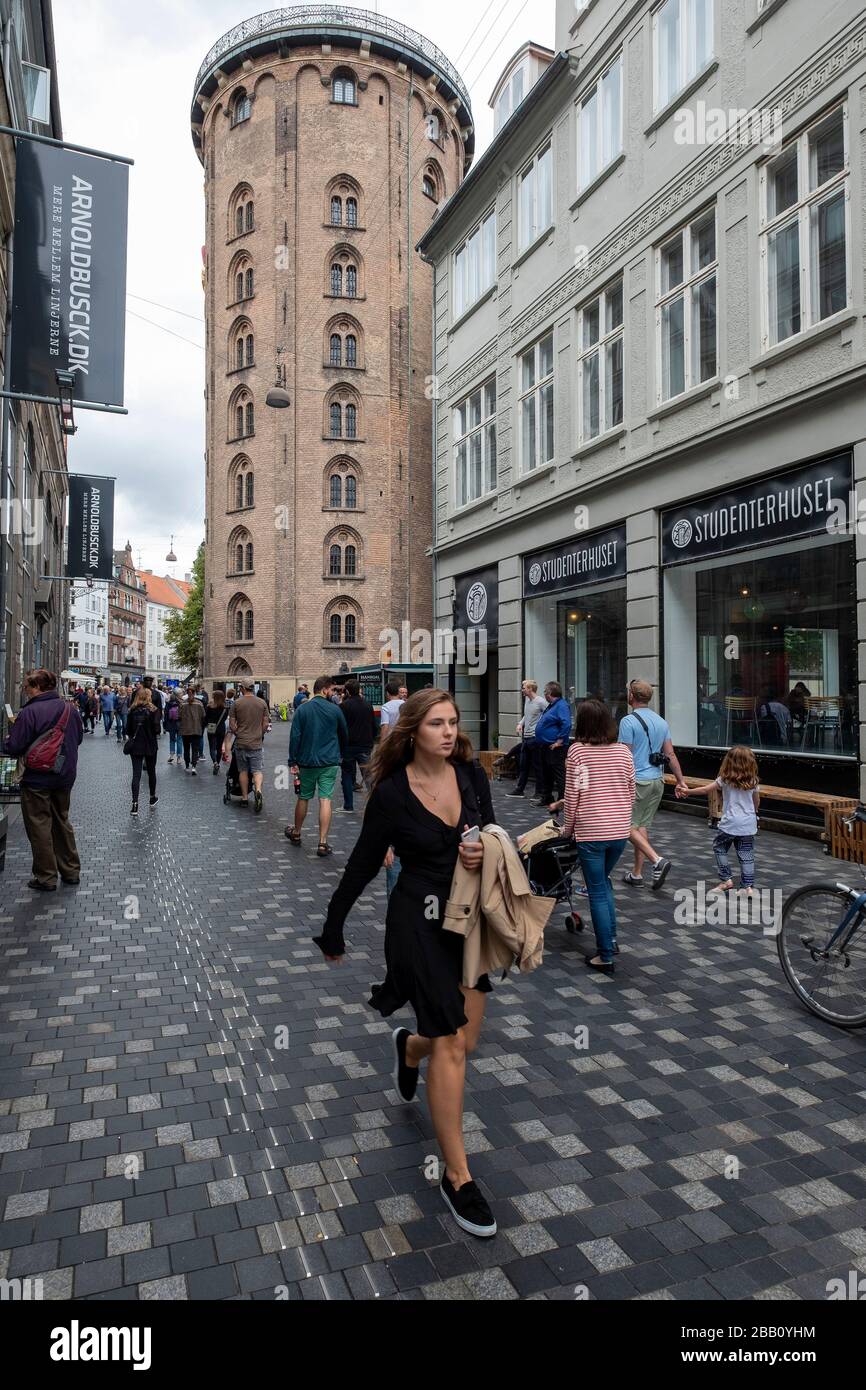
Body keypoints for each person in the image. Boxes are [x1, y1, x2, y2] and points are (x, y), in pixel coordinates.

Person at [312, 688, 497, 1239]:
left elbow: (492, 830)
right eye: (436, 723)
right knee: (449, 1041)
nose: (448, 731)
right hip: (418, 918)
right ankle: (458, 1176)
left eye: (453, 722)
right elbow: (364, 862)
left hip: (469, 919)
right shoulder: (392, 793)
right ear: (412, 730)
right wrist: (333, 924)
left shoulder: (470, 775)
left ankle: (406, 1047)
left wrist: (481, 846)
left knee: (465, 1043)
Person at [561, 699, 635, 975]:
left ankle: (605, 954)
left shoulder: (578, 752)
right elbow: (630, 792)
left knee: (596, 891)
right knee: (603, 884)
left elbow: (573, 796)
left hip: (591, 831)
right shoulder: (623, 753)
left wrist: (567, 830)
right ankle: (611, 940)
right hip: (619, 831)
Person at [2, 669, 83, 890]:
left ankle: (46, 877)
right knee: (62, 820)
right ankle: (71, 871)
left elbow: (15, 746)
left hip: (37, 778)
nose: (24, 690)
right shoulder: (70, 709)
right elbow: (79, 739)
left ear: (37, 686)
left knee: (39, 825)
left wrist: (8, 741)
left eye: (26, 686)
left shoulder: (30, 712)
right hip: (65, 774)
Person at [619, 678, 689, 889]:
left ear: (631, 696)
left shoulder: (628, 721)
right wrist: (680, 781)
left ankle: (657, 860)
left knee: (625, 825)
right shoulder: (661, 721)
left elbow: (625, 756)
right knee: (641, 825)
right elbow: (670, 754)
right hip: (657, 780)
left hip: (636, 780)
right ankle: (637, 874)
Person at [683, 746, 760, 896]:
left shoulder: (724, 780)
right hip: (748, 824)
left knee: (719, 847)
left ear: (729, 762)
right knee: (746, 855)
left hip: (730, 824)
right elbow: (756, 802)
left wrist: (688, 792)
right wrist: (753, 813)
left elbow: (706, 790)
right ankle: (747, 887)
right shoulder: (754, 781)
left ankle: (726, 880)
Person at [286, 675, 348, 855]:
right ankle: (322, 842)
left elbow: (295, 737)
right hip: (329, 761)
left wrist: (292, 760)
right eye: (332, 690)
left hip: (307, 762)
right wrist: (341, 754)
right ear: (325, 689)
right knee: (325, 799)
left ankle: (297, 833)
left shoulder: (302, 710)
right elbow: (344, 734)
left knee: (304, 797)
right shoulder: (335, 710)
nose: (333, 693)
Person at [228, 680, 270, 810]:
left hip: (241, 742)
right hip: (256, 742)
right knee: (257, 770)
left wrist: (237, 732)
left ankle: (245, 798)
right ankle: (258, 790)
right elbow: (265, 723)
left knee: (243, 771)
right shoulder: (262, 703)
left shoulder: (237, 703)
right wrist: (259, 733)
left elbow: (231, 724)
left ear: (242, 688)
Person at [338, 680, 377, 812]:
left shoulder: (344, 706)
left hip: (348, 746)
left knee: (347, 775)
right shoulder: (367, 705)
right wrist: (372, 740)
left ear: (347, 691)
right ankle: (374, 803)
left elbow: (340, 728)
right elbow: (373, 725)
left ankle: (348, 805)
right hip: (365, 745)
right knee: (368, 776)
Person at [534, 681, 572, 807]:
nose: (544, 694)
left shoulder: (561, 705)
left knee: (558, 773)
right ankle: (547, 797)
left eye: (545, 691)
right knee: (546, 773)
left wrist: (559, 741)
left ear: (550, 692)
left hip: (556, 747)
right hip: (546, 746)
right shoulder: (552, 705)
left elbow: (566, 723)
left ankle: (562, 800)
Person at [508, 678, 547, 798]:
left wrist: (541, 729)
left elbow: (549, 715)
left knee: (537, 766)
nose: (522, 690)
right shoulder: (527, 701)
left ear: (530, 689)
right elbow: (527, 715)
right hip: (526, 738)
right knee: (523, 765)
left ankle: (539, 792)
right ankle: (520, 789)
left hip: (535, 738)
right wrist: (520, 723)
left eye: (524, 688)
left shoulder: (541, 701)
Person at [125, 686, 162, 815]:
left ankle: (134, 804)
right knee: (151, 772)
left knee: (136, 775)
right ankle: (152, 797)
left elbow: (128, 730)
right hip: (150, 744)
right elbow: (157, 730)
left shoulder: (131, 711)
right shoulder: (154, 710)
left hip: (136, 745)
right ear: (148, 697)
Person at [178, 690, 206, 773]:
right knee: (195, 749)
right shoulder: (199, 703)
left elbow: (179, 716)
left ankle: (187, 766)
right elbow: (203, 715)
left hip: (185, 729)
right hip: (196, 729)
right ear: (194, 693)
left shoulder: (183, 704)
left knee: (186, 749)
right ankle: (194, 766)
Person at [205, 689, 230, 775]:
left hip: (211, 727)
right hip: (221, 728)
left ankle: (215, 762)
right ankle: (218, 763)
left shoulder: (209, 707)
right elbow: (225, 718)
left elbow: (206, 718)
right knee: (219, 747)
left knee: (212, 746)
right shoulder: (226, 708)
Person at [164, 689, 183, 763]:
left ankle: (171, 755)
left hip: (171, 723)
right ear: (179, 694)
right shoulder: (182, 702)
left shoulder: (169, 702)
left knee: (172, 740)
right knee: (179, 740)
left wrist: (165, 725)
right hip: (180, 723)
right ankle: (179, 757)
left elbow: (165, 714)